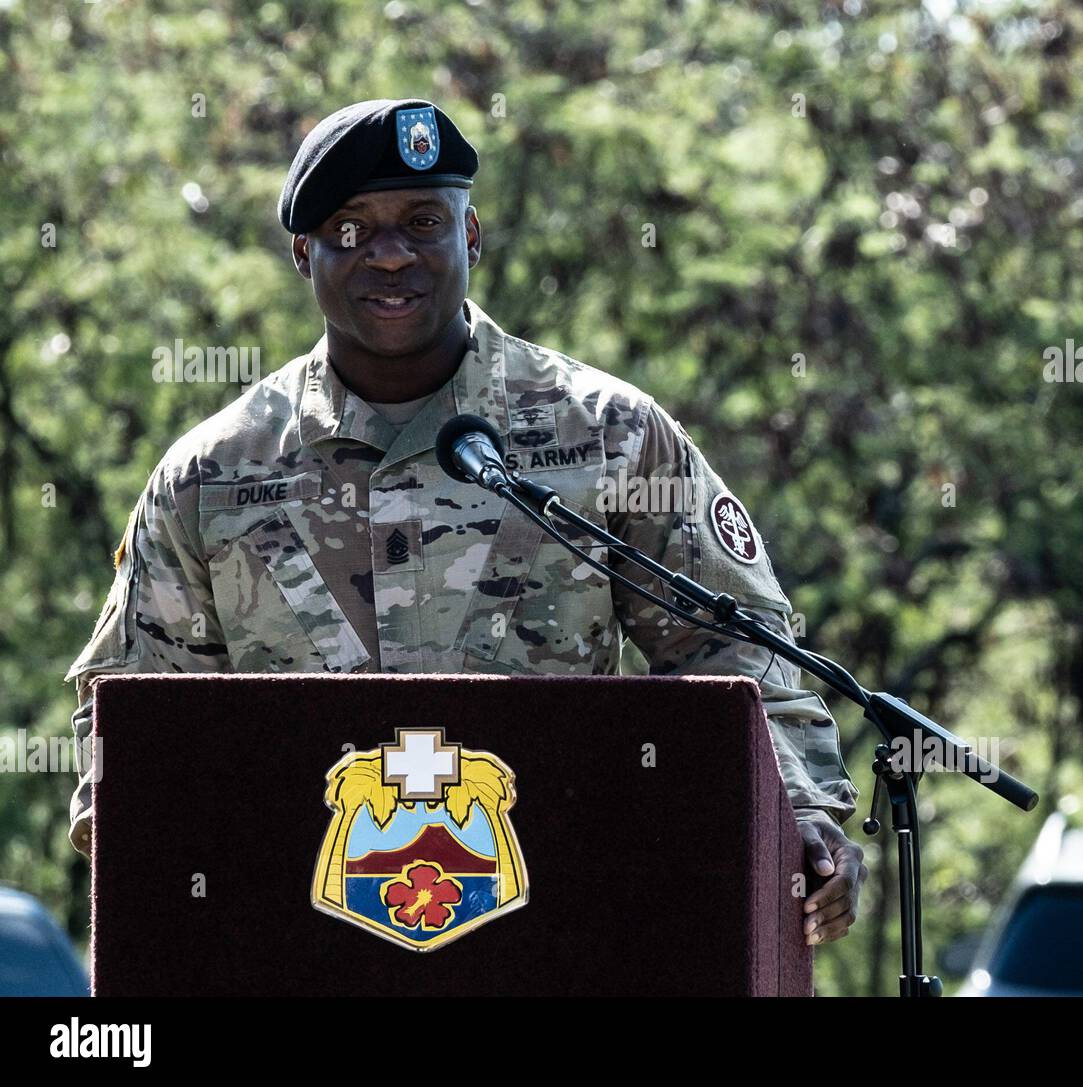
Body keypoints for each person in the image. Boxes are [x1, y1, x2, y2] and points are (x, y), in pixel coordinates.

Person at [64, 99, 865, 946]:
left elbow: (734, 651)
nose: (391, 252)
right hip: (294, 941)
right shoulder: (214, 475)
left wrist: (797, 815)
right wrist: (169, 886)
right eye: (350, 228)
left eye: (422, 221)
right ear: (304, 254)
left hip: (568, 926)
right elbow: (135, 724)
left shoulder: (604, 434)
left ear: (471, 237)